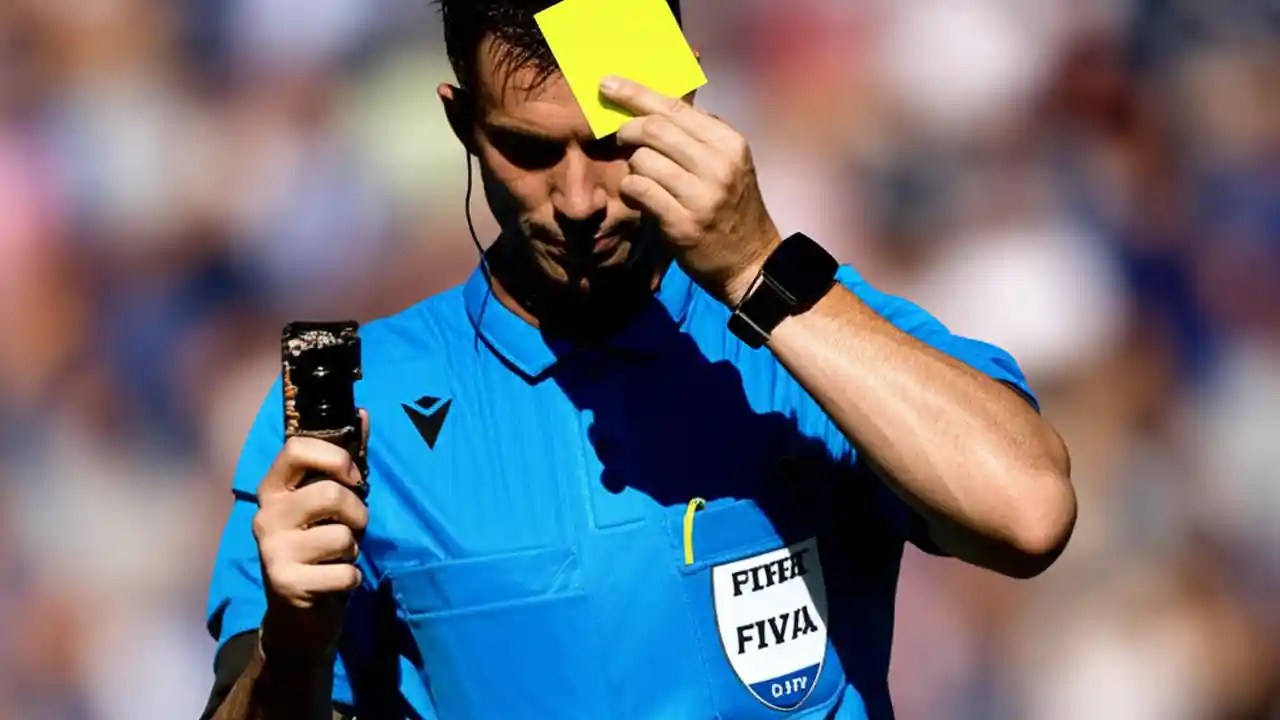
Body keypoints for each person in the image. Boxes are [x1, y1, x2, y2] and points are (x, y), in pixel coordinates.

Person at [202, 1, 1076, 718]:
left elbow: (1029, 513)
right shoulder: (360, 399)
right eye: (531, 150)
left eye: (614, 142)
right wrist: (296, 645)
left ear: (685, 105)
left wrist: (757, 268)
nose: (579, 199)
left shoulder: (802, 338)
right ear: (461, 123)